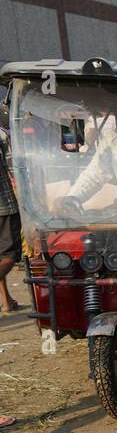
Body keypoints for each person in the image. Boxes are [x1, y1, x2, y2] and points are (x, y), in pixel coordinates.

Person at [0, 117, 24, 314]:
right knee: (10, 255)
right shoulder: (1, 133)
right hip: (3, 206)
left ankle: (6, 302)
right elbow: (12, 165)